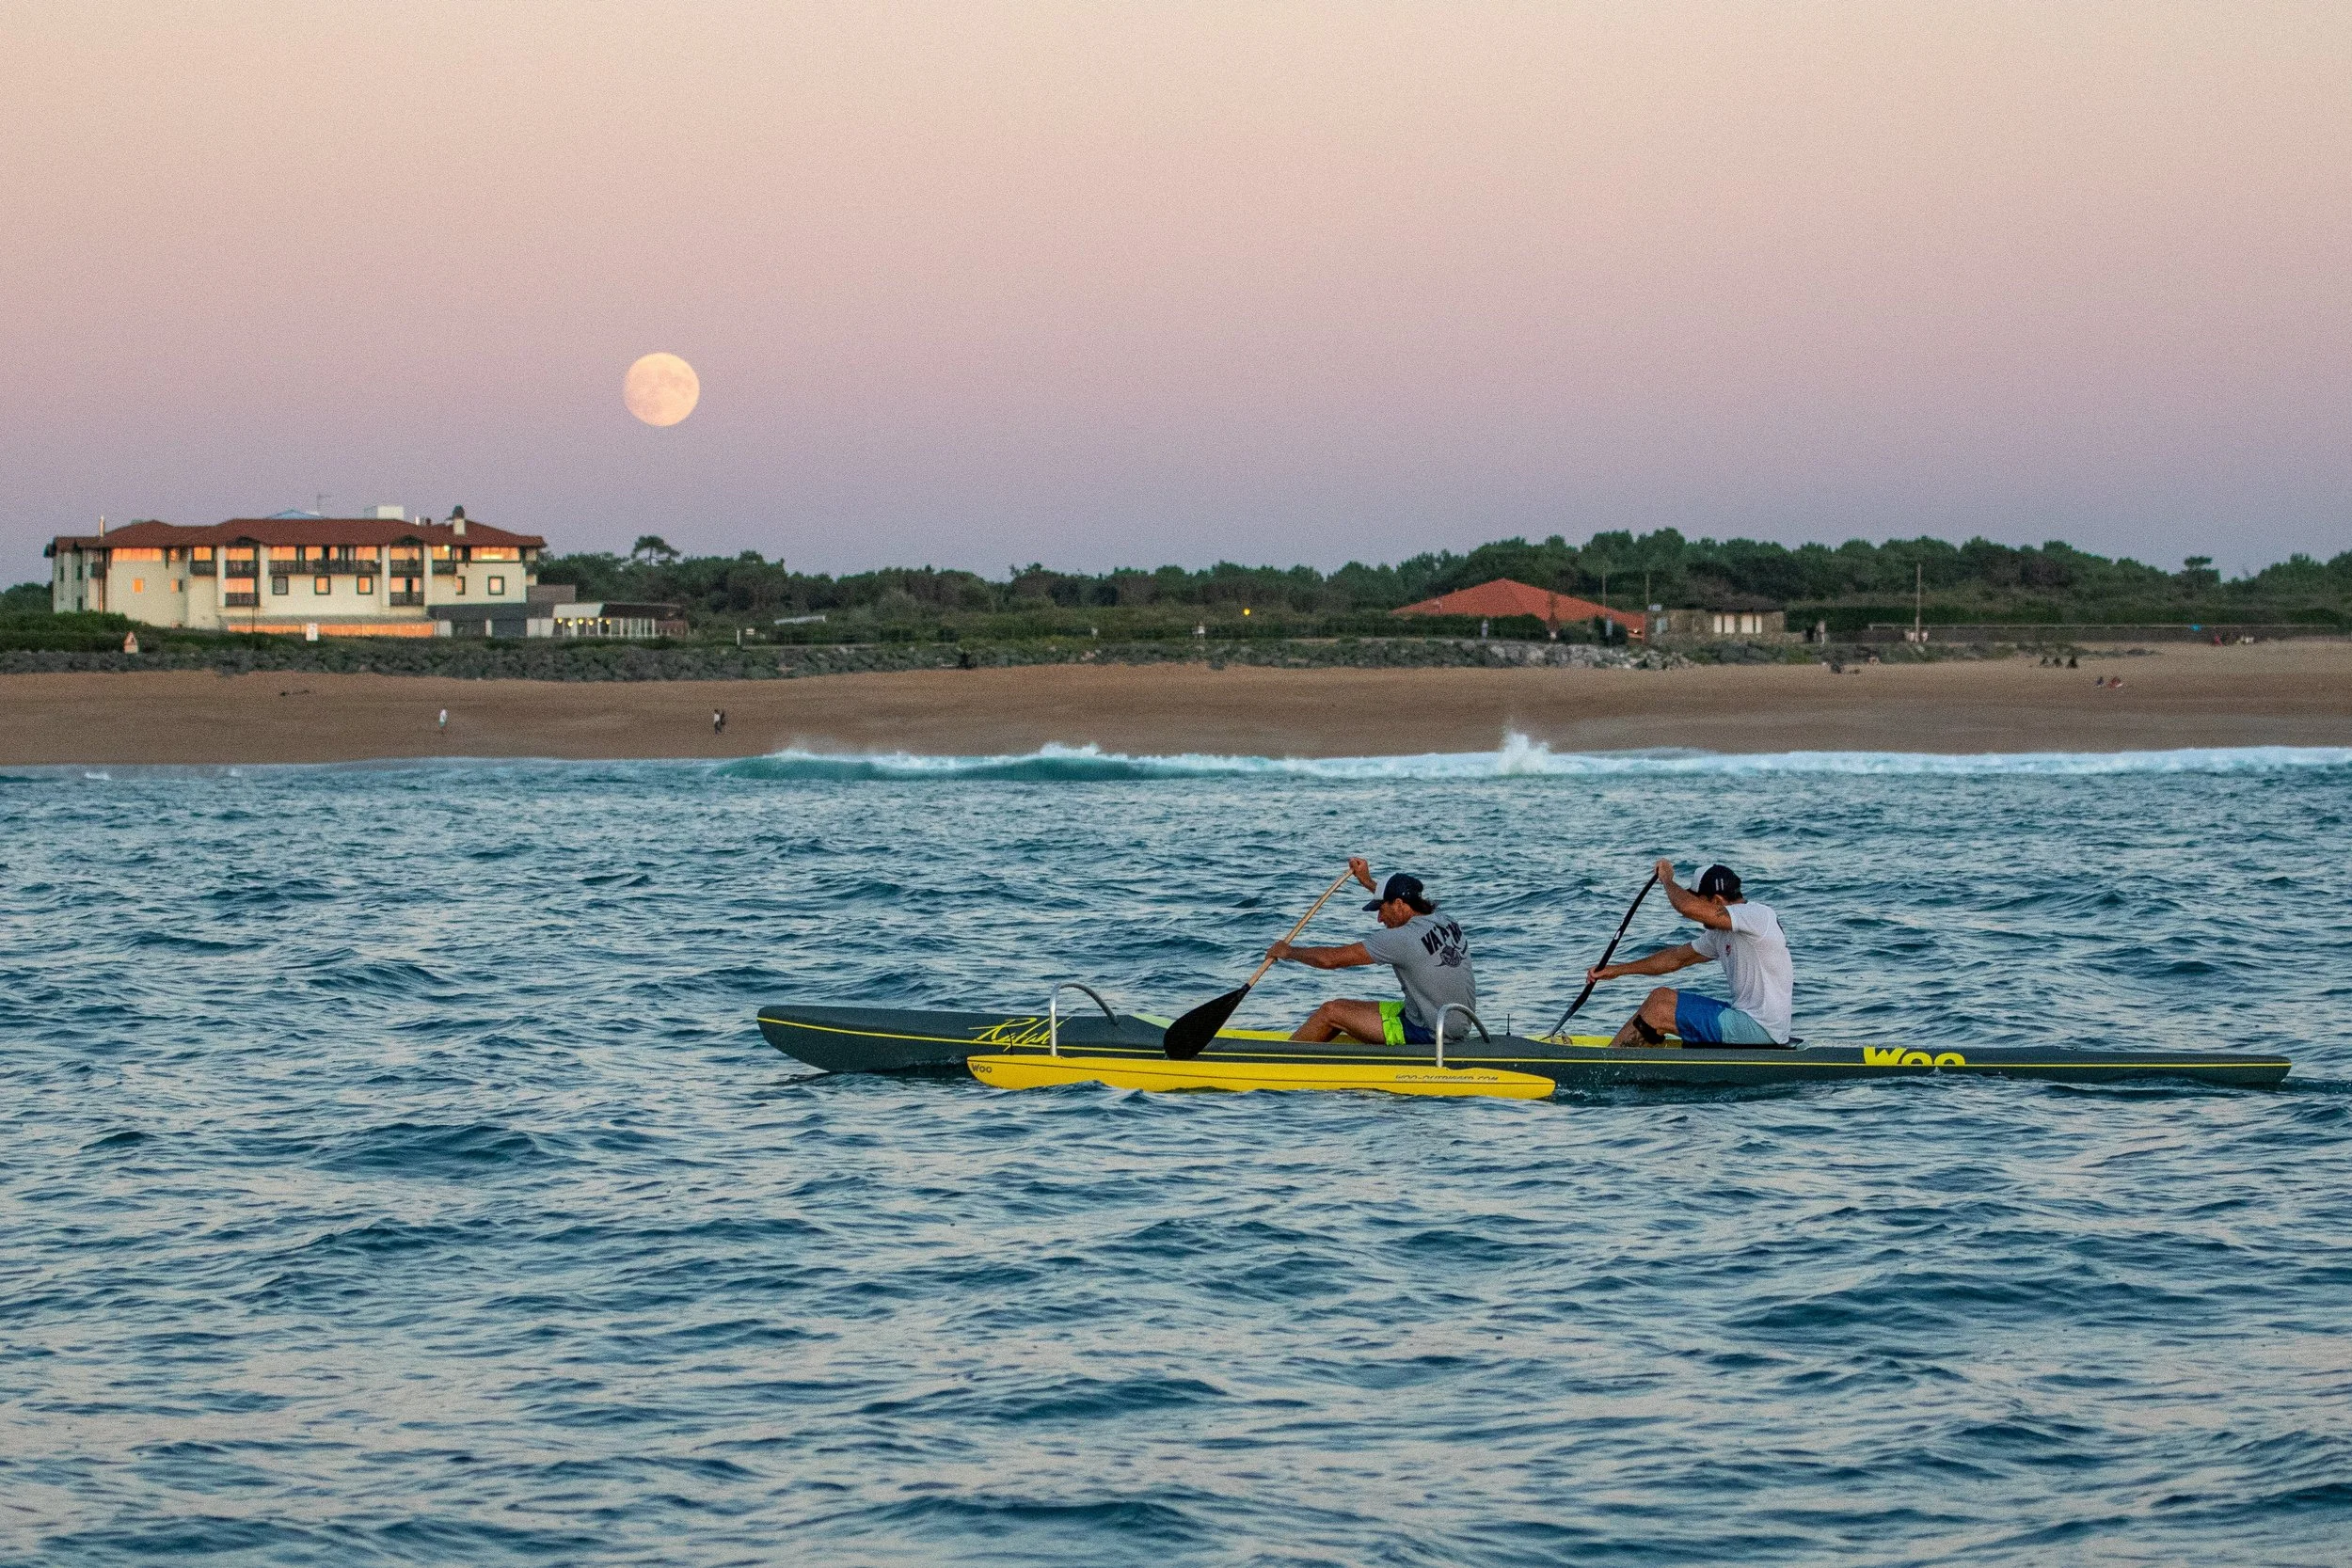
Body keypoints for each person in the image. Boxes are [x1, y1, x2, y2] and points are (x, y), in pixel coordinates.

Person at [1266, 856, 1475, 1046]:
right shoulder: (1444, 920)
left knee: (1330, 1013)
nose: (1379, 919)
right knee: (1339, 1005)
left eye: (1381, 910)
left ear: (1400, 904)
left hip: (1431, 1032)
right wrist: (1368, 882)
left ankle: (1277, 1063)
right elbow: (1395, 899)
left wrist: (1289, 952)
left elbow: (1331, 960)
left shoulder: (1400, 939)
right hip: (1457, 1021)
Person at [1585, 860, 1793, 1047]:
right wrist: (1617, 970)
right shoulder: (1721, 933)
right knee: (1660, 997)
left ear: (1717, 902)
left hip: (1760, 1027)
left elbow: (1686, 907)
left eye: (1699, 900)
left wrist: (1666, 879)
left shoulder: (1757, 915)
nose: (1697, 909)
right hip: (1748, 1020)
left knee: (1659, 1007)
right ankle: (1628, 1055)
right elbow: (1675, 959)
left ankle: (1604, 1066)